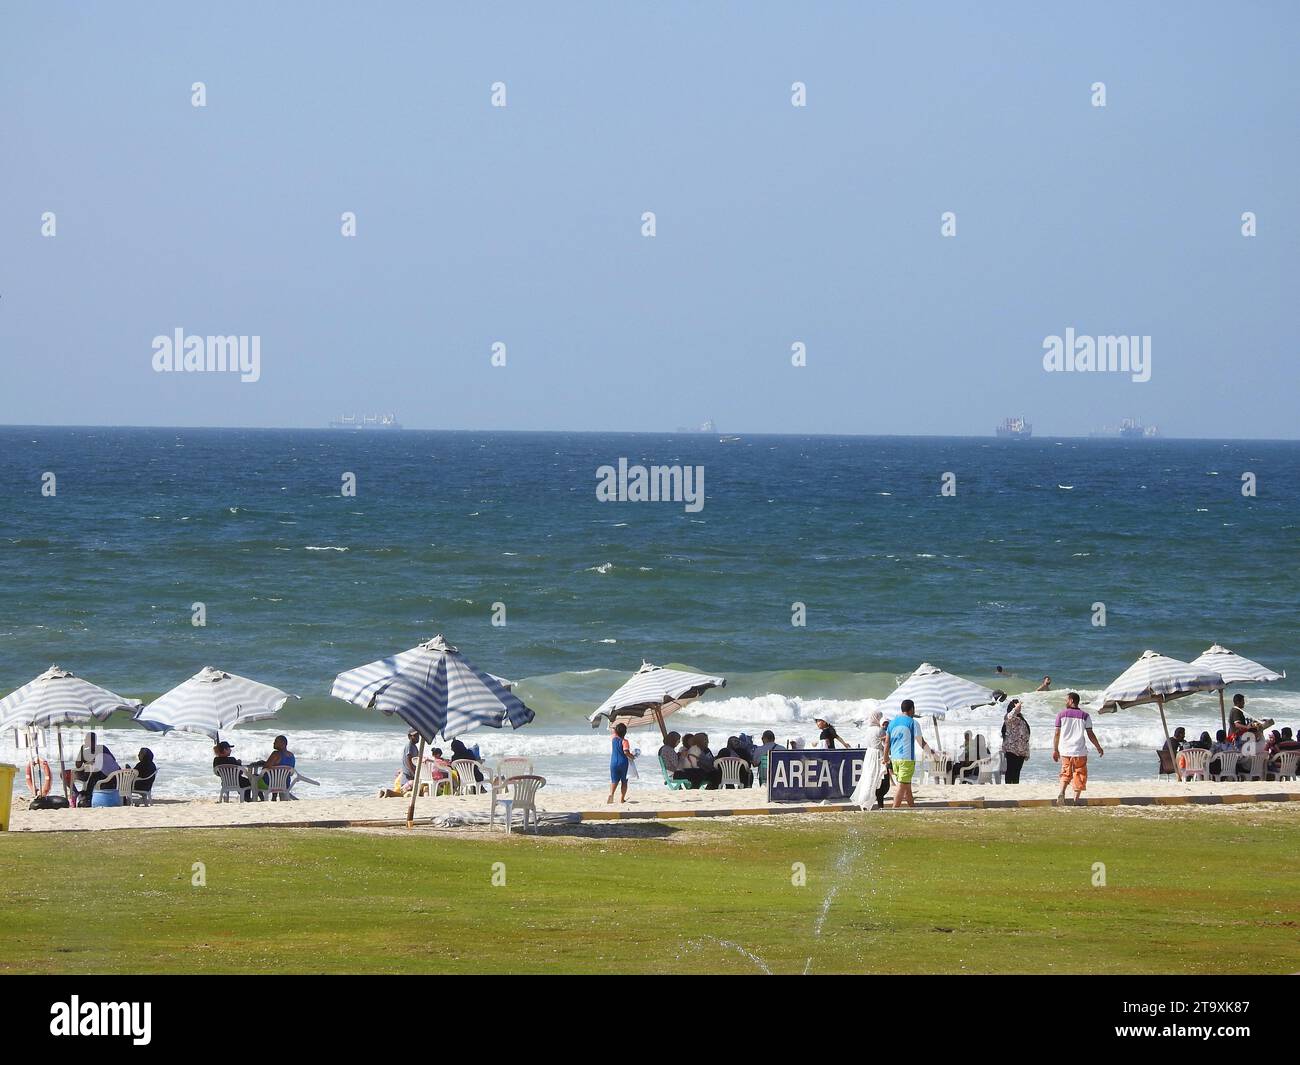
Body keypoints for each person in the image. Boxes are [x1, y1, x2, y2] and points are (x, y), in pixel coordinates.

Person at [1052, 692, 1104, 805]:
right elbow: (1090, 734)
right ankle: (1076, 801)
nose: (1065, 702)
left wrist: (1055, 750)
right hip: (1079, 751)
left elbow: (1057, 733)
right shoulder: (1085, 716)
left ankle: (1061, 792)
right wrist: (1098, 747)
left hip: (1065, 750)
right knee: (1080, 774)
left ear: (1071, 700)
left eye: (1066, 700)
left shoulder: (1061, 715)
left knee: (1065, 773)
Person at [887, 699, 932, 808]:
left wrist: (886, 758)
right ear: (912, 709)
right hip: (906, 760)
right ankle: (894, 809)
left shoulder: (892, 722)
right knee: (902, 786)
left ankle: (912, 807)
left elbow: (887, 742)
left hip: (895, 759)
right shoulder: (913, 723)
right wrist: (932, 753)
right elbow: (920, 741)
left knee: (906, 786)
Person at [849, 710, 889, 810]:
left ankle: (865, 802)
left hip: (869, 755)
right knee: (880, 780)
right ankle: (875, 803)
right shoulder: (879, 730)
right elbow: (885, 744)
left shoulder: (868, 729)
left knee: (869, 778)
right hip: (878, 755)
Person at [74, 733, 121, 804]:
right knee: (67, 775)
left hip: (104, 775)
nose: (85, 742)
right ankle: (77, 793)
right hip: (89, 775)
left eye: (86, 740)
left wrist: (96, 760)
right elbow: (78, 765)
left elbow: (112, 760)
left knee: (94, 774)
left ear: (93, 741)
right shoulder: (85, 751)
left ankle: (87, 796)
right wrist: (81, 751)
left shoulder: (102, 748)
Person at [1001, 698, 1031, 784]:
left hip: (1021, 750)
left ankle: (1014, 788)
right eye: (1017, 705)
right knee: (1010, 771)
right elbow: (1010, 716)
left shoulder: (1021, 719)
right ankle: (1008, 789)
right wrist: (1016, 707)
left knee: (1017, 772)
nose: (1019, 707)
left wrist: (1026, 752)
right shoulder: (1009, 718)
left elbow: (1025, 736)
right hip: (1012, 749)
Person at [607, 722, 634, 804]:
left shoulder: (613, 739)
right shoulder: (625, 741)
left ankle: (611, 794)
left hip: (613, 763)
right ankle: (622, 799)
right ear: (625, 732)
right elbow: (626, 752)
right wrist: (632, 756)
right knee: (624, 781)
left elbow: (613, 730)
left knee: (614, 780)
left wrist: (612, 722)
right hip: (623, 763)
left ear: (616, 732)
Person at [393, 729, 421, 794]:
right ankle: (389, 793)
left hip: (411, 776)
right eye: (415, 736)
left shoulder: (414, 747)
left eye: (418, 736)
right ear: (409, 736)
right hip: (408, 777)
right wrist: (414, 773)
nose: (417, 738)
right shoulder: (409, 745)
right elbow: (409, 760)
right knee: (405, 793)